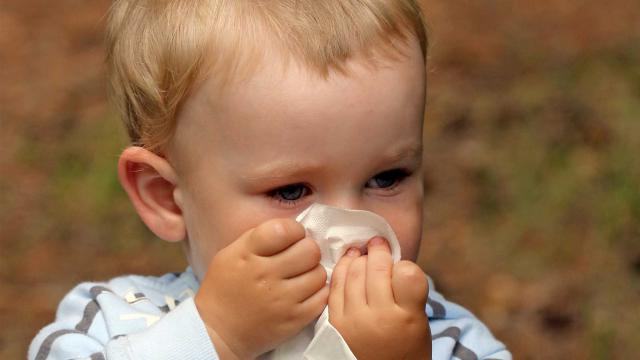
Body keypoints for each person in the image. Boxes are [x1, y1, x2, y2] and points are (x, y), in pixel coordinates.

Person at [29, 0, 511, 359]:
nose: (352, 230)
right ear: (167, 199)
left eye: (386, 178)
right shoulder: (113, 323)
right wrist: (214, 336)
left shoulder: (449, 340)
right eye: (290, 191)